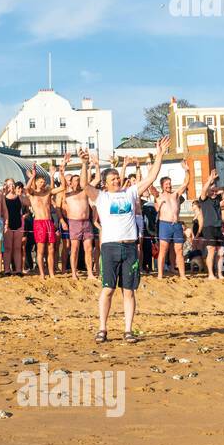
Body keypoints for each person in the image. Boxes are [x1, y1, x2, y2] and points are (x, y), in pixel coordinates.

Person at [78, 139, 167, 343]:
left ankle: (128, 330)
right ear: (105, 183)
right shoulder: (101, 197)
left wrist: (160, 154)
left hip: (129, 247)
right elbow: (84, 185)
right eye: (113, 179)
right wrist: (84, 164)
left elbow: (152, 177)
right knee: (108, 289)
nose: (117, 180)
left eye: (118, 177)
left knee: (129, 291)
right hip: (110, 247)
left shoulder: (130, 192)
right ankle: (102, 329)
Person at [196, 167, 224, 280]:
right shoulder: (204, 199)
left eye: (215, 190)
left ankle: (219, 273)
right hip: (208, 227)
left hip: (218, 227)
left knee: (221, 252)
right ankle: (211, 274)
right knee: (211, 251)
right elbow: (204, 190)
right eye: (212, 191)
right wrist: (210, 180)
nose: (214, 192)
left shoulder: (217, 199)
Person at [153, 169, 192, 280]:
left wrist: (187, 171)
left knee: (179, 250)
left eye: (170, 183)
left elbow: (185, 183)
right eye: (167, 184)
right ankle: (160, 275)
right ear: (162, 186)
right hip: (164, 224)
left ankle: (183, 275)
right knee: (163, 249)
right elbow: (150, 187)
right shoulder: (159, 196)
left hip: (176, 225)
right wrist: (150, 168)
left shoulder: (175, 195)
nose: (169, 186)